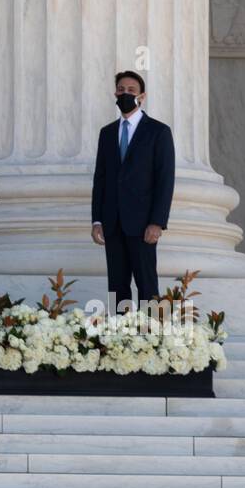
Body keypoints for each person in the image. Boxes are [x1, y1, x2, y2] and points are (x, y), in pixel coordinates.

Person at [90, 70, 175, 313]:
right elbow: (101, 179)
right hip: (112, 223)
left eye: (131, 91)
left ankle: (154, 338)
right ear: (115, 93)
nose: (125, 94)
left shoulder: (158, 131)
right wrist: (97, 220)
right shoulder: (106, 133)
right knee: (117, 287)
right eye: (121, 90)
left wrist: (157, 222)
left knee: (147, 285)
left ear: (142, 96)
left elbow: (165, 180)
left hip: (144, 225)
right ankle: (121, 340)